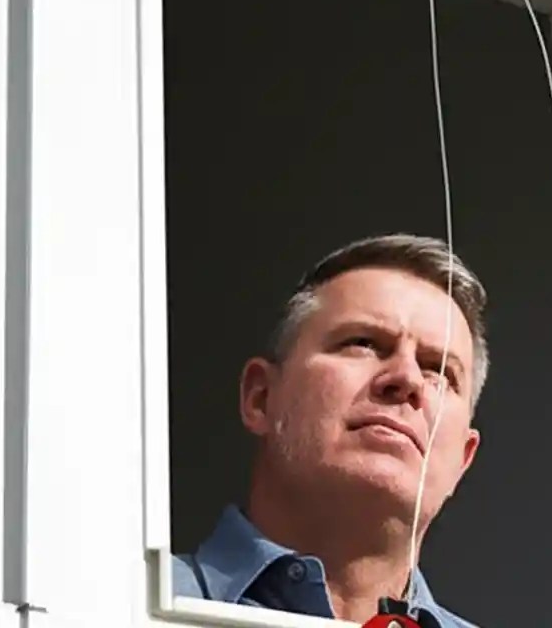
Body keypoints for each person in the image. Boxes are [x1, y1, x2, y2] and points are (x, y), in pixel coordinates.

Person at [173, 234, 488, 627]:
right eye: (363, 342)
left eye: (439, 371)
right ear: (261, 398)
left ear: (462, 460)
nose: (406, 379)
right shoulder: (109, 603)